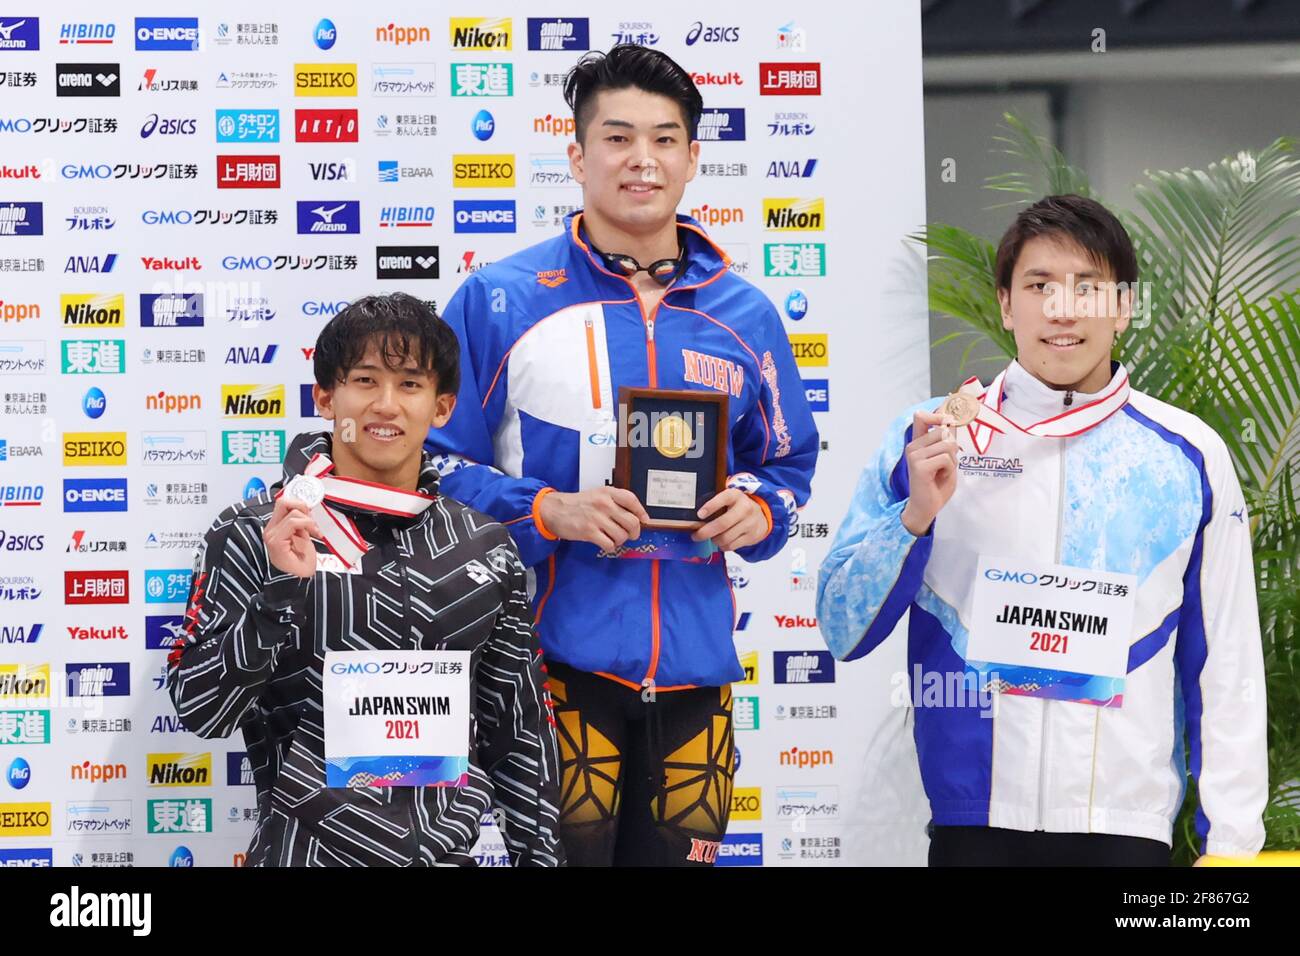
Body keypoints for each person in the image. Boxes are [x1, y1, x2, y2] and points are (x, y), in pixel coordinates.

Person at [425, 45, 819, 866]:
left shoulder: (743, 313)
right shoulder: (499, 298)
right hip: (552, 665)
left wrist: (757, 508)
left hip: (697, 676)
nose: (643, 159)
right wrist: (546, 511)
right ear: (576, 153)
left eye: (665, 139)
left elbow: (786, 466)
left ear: (692, 157)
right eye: (618, 137)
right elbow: (434, 469)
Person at [818, 195, 1268, 866]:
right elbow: (841, 627)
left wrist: (1231, 846)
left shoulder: (1187, 454)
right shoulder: (932, 438)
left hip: (1124, 828)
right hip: (976, 823)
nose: (1063, 309)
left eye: (1088, 288)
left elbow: (1224, 660)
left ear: (1124, 307)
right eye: (1039, 286)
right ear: (1005, 305)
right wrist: (912, 518)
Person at [168, 293, 563, 867]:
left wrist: (541, 858)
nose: (386, 405)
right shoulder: (257, 532)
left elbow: (521, 734)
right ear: (327, 398)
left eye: (410, 385)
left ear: (443, 406)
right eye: (363, 380)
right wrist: (277, 595)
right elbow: (202, 712)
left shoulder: (484, 547)